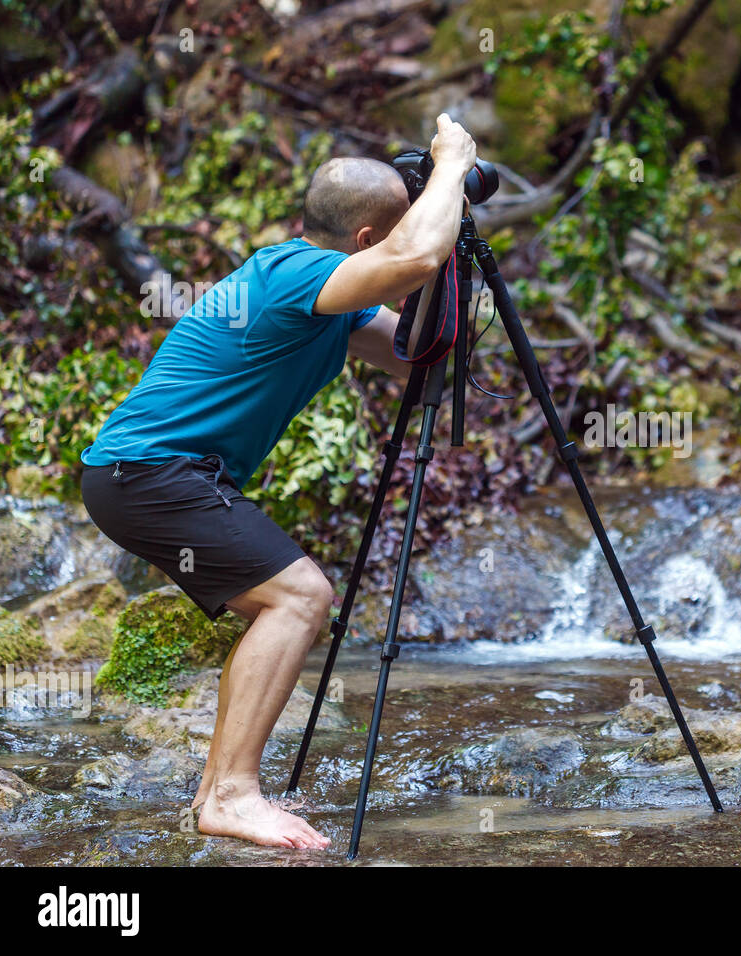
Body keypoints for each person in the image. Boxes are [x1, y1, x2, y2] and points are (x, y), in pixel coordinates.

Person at [80, 114, 478, 850]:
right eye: (391, 239)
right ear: (366, 244)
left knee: (287, 601)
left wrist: (451, 272)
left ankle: (218, 791)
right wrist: (451, 167)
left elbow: (413, 354)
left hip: (145, 474)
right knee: (300, 597)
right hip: (148, 471)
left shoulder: (325, 293)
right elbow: (417, 254)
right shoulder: (294, 276)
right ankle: (231, 795)